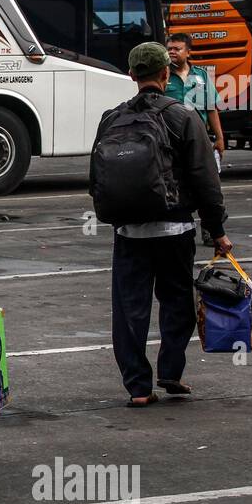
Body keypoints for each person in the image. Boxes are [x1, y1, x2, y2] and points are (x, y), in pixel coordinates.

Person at [94, 42, 232, 408]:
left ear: (131, 75)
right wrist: (216, 230)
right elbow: (206, 181)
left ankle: (139, 388)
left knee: (129, 310)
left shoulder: (111, 118)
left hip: (128, 233)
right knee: (177, 303)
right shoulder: (183, 116)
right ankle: (171, 370)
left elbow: (97, 177)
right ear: (166, 74)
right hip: (175, 230)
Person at [166, 33, 226, 243]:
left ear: (188, 52)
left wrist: (220, 138)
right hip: (172, 141)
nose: (172, 52)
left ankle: (211, 230)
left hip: (200, 140)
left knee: (208, 185)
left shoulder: (200, 76)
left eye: (177, 49)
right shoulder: (163, 75)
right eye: (169, 48)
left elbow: (211, 108)